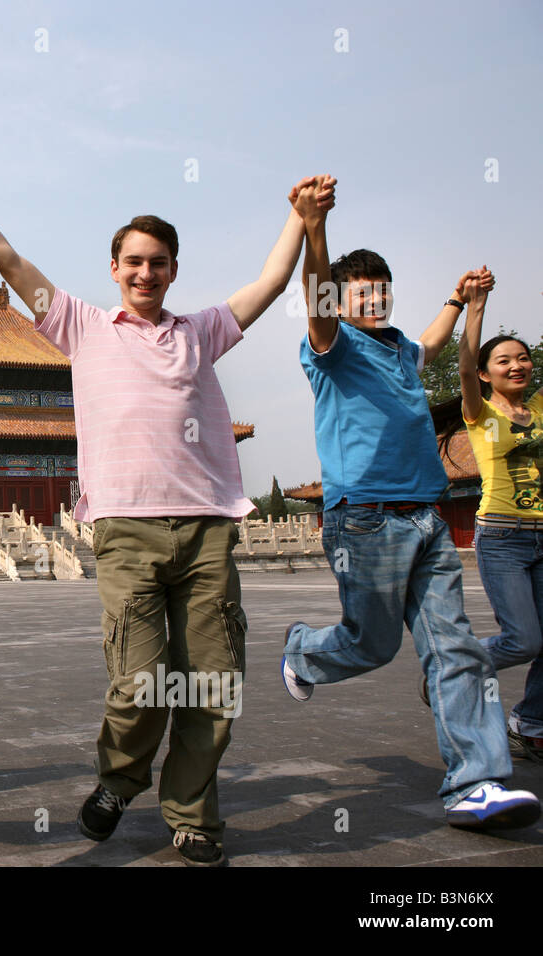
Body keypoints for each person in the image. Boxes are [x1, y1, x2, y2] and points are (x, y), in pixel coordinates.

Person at [0, 147, 320, 866]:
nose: (145, 273)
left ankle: (194, 815)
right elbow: (4, 256)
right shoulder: (80, 327)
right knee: (139, 680)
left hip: (206, 532)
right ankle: (121, 777)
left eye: (158, 262)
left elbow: (272, 280)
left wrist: (299, 218)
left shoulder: (201, 332)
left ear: (172, 270)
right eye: (133, 261)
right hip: (127, 531)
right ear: (114, 269)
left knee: (212, 681)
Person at [282, 177, 540, 829]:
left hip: (425, 517)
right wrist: (314, 229)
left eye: (382, 288)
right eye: (360, 291)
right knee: (369, 647)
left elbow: (432, 334)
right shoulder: (331, 346)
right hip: (365, 520)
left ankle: (474, 782)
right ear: (339, 299)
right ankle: (305, 651)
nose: (374, 298)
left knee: (453, 648)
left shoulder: (399, 348)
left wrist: (460, 297)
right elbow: (315, 295)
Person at [436, 273, 543, 765]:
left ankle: (530, 721)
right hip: (503, 536)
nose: (517, 365)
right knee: (523, 638)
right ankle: (455, 666)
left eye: (523, 358)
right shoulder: (480, 412)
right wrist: (474, 307)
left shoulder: (540, 408)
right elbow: (462, 365)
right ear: (486, 374)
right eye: (504, 360)